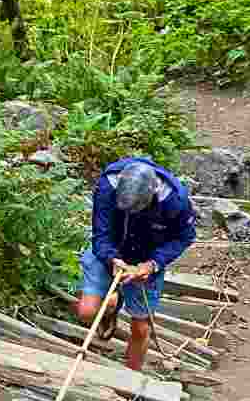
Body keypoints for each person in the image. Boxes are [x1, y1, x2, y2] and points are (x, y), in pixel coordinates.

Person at [76, 156, 197, 372]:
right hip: (112, 249)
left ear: (152, 194)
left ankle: (131, 376)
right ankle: (111, 308)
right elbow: (100, 233)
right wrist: (111, 259)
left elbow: (184, 237)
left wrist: (152, 264)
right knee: (86, 312)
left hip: (146, 257)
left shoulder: (174, 201)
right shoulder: (107, 186)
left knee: (141, 329)